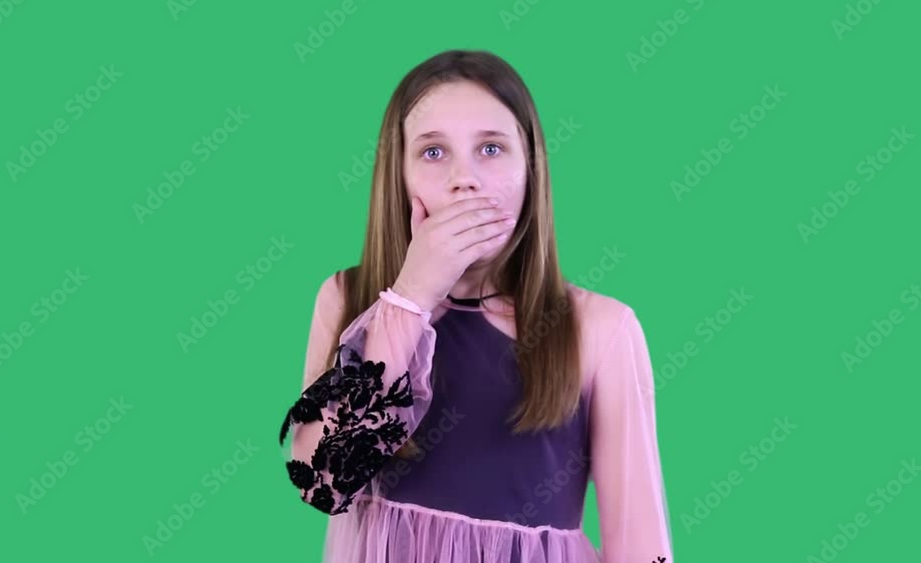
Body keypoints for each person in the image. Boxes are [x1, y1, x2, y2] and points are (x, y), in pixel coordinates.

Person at [278, 49, 674, 563]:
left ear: (530, 172)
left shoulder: (601, 328)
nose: (463, 179)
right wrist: (411, 297)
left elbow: (639, 542)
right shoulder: (347, 299)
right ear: (397, 176)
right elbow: (324, 482)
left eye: (490, 149)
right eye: (433, 152)